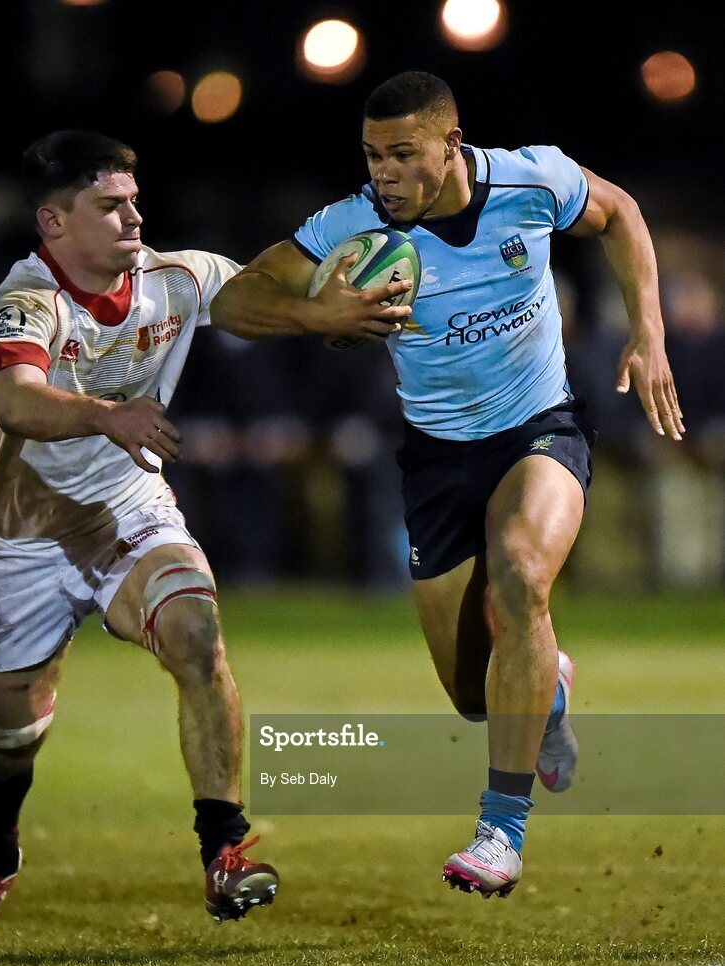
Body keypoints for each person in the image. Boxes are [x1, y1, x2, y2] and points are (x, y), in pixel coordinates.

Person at [210, 71, 684, 897]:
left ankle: (500, 832)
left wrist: (648, 331)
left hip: (541, 427)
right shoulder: (351, 225)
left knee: (520, 577)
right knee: (472, 694)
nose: (382, 171)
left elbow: (623, 216)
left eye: (401, 154)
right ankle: (551, 690)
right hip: (437, 456)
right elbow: (235, 300)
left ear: (450, 146)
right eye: (371, 155)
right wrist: (313, 315)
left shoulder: (531, 181)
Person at [0, 130, 278, 939]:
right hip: (26, 537)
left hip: (129, 510)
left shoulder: (174, 275)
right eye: (110, 204)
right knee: (8, 740)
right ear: (55, 223)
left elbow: (264, 297)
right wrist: (107, 414)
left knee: (195, 632)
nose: (134, 215)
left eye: (133, 199)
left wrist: (334, 312)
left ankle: (225, 853)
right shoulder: (25, 301)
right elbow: (18, 400)